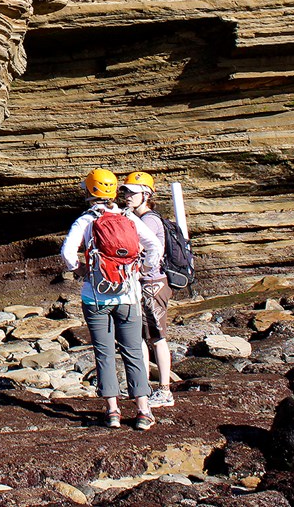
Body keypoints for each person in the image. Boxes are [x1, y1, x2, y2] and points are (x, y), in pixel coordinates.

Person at [61, 168, 163, 431]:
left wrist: (80, 271)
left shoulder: (86, 220)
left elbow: (67, 253)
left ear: (88, 191)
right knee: (133, 351)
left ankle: (113, 412)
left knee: (104, 353)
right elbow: (154, 246)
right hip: (128, 295)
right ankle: (143, 411)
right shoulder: (129, 217)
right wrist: (143, 270)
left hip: (95, 296)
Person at [122, 171, 175, 409]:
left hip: (153, 284)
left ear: (146, 195)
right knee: (143, 337)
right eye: (126, 191)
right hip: (142, 283)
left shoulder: (149, 221)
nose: (127, 196)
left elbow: (144, 250)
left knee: (157, 337)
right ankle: (143, 388)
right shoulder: (138, 218)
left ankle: (164, 390)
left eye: (132, 192)